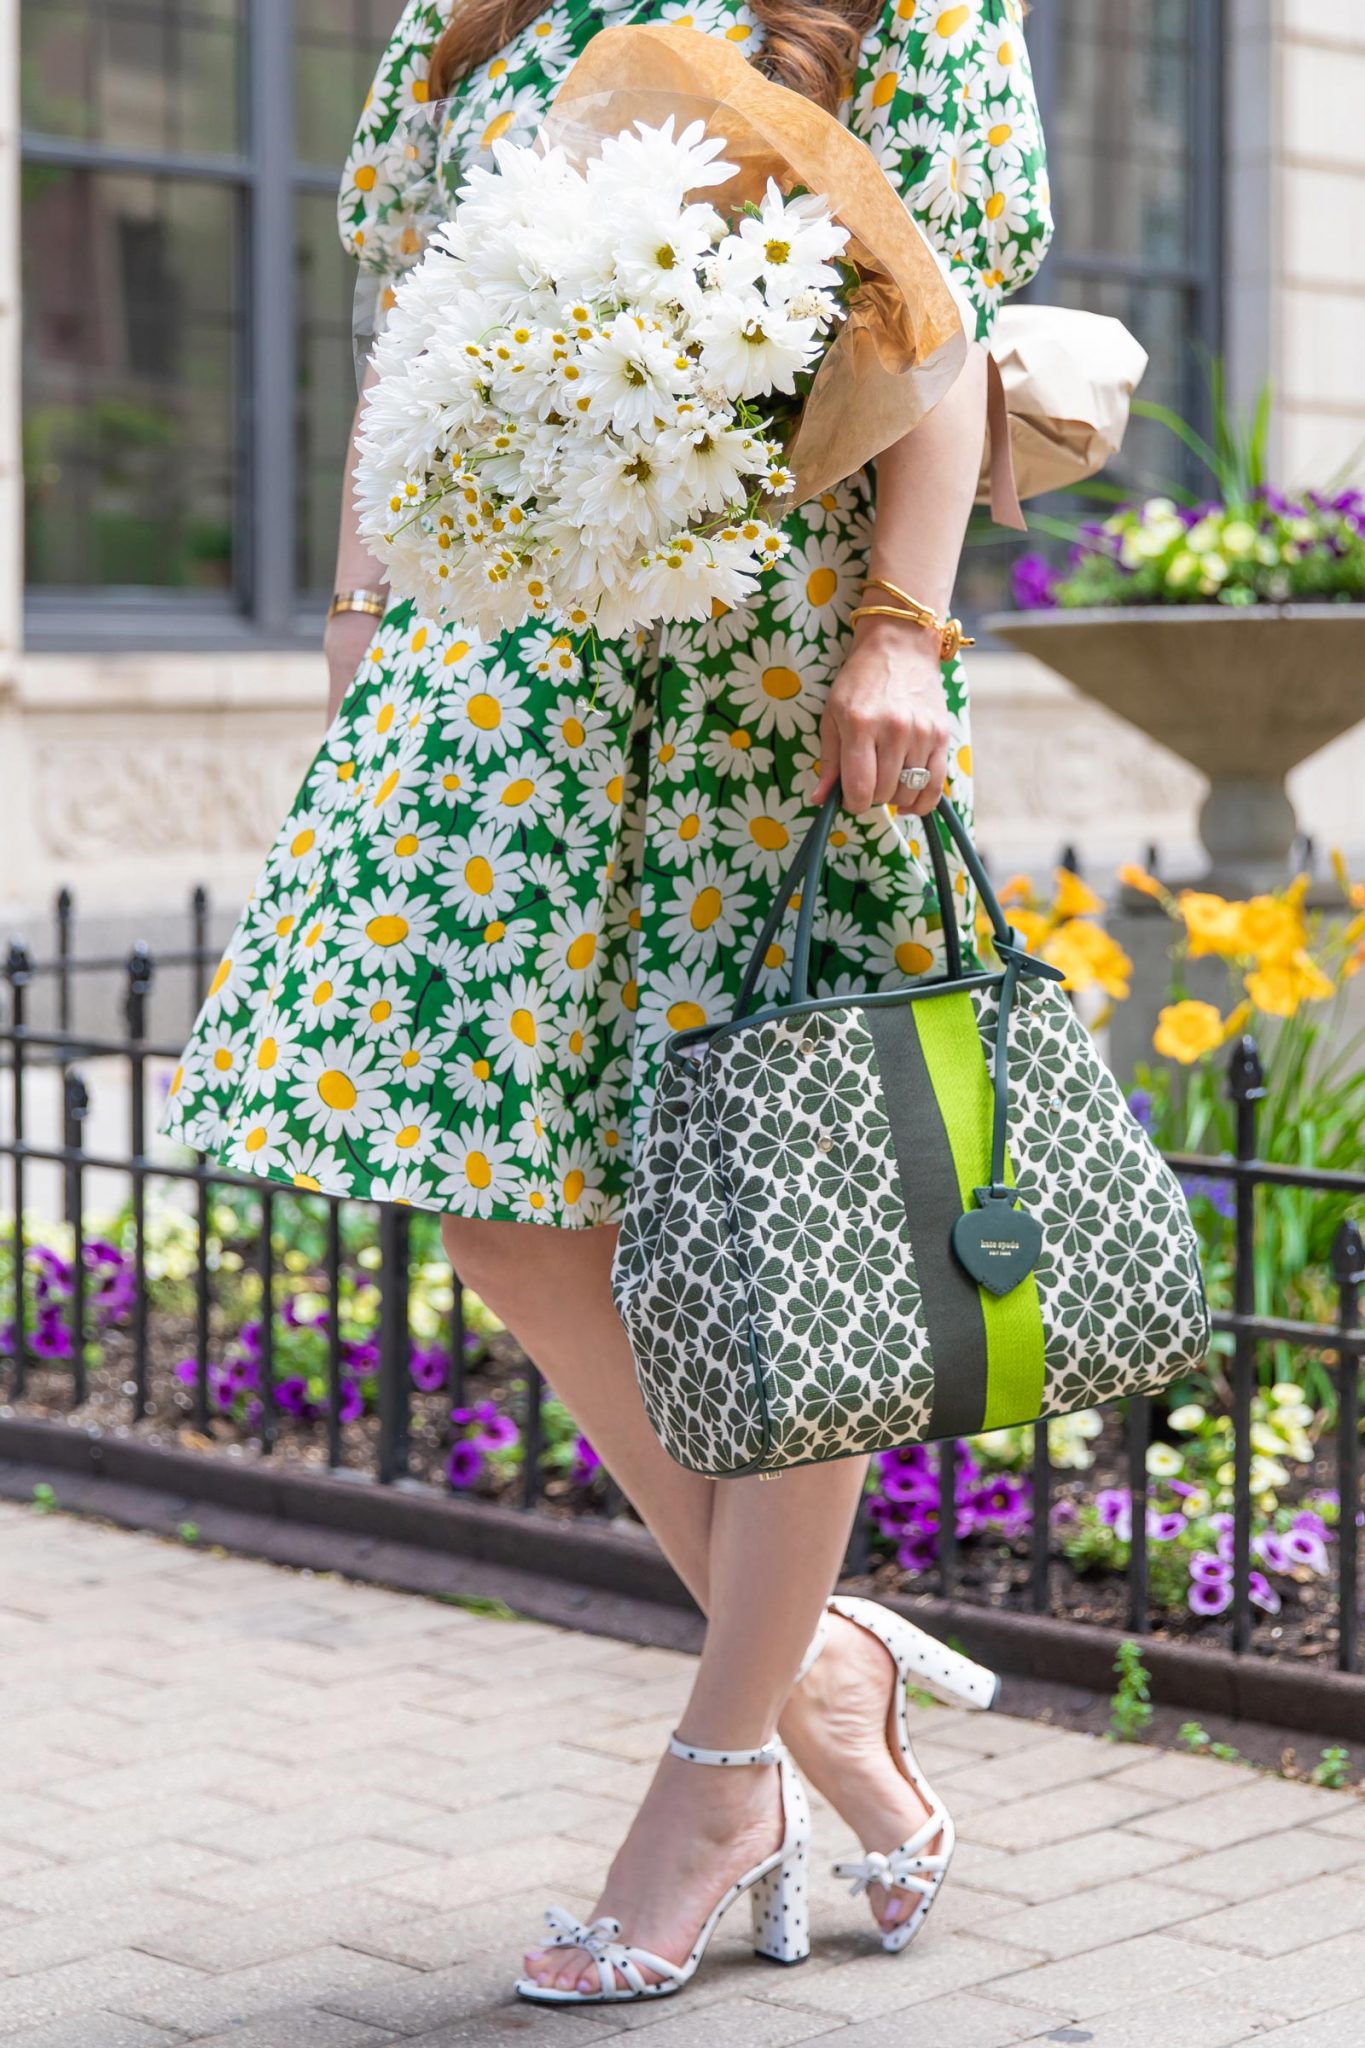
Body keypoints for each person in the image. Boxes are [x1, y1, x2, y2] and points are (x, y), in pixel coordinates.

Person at [163, 0, 1051, 2006]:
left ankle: (726, 1765)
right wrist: (356, 609)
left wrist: (900, 632)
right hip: (501, 674)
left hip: (772, 665)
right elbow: (414, 337)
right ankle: (816, 1654)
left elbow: (942, 315)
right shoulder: (459, 22)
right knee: (490, 1192)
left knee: (776, 1229)